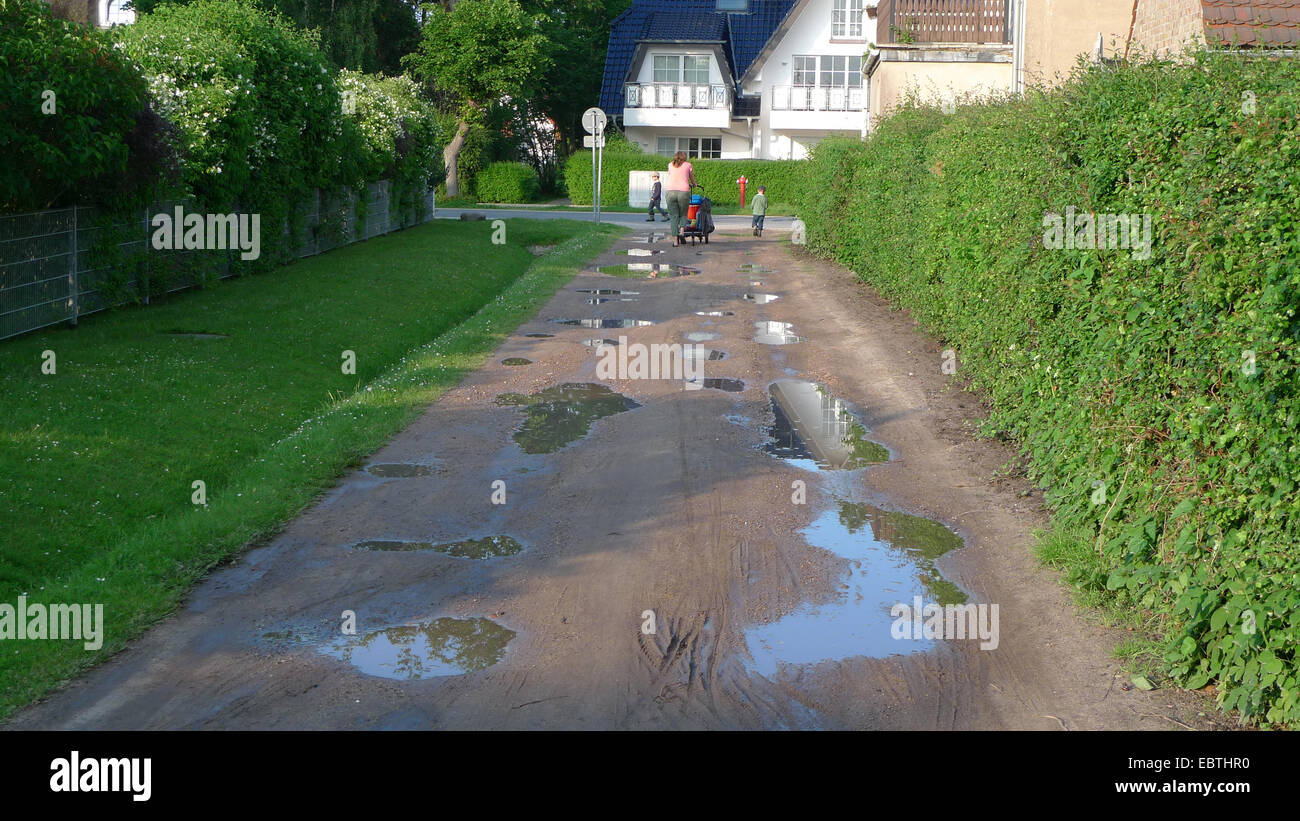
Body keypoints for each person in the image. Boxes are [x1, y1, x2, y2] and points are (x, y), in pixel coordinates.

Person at [664, 152, 696, 246]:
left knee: (674, 216)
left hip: (670, 192)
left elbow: (672, 175)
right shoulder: (688, 165)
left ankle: (675, 241)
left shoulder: (670, 165)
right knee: (683, 214)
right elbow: (691, 176)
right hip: (683, 192)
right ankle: (682, 232)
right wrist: (694, 184)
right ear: (685, 157)